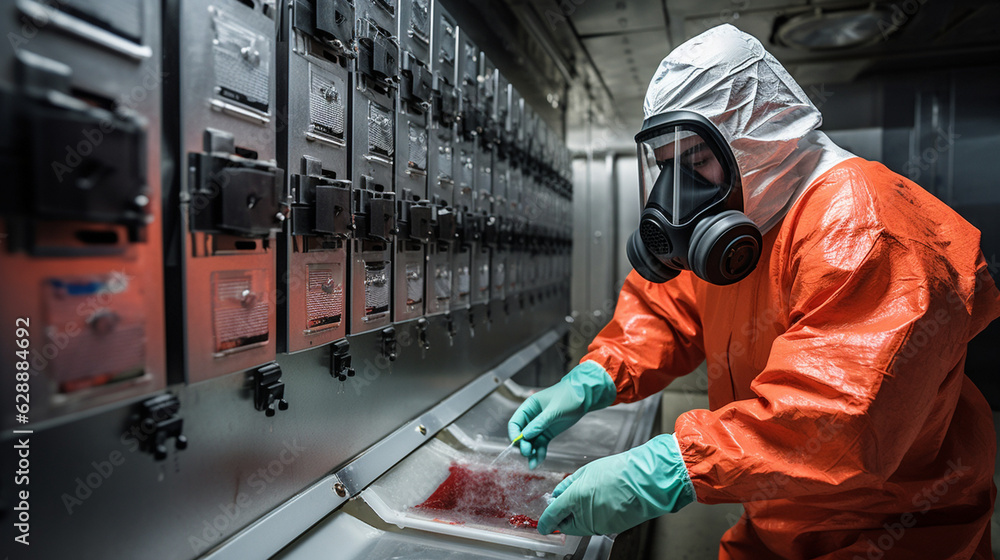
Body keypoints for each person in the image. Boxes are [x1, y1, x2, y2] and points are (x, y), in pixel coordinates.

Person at [508, 24, 1000, 559]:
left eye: (695, 161)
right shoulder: (749, 217)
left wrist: (670, 467)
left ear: (760, 133)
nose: (678, 191)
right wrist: (595, 377)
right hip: (779, 516)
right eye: (667, 165)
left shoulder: (863, 228)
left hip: (889, 528)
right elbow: (672, 309)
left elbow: (836, 420)